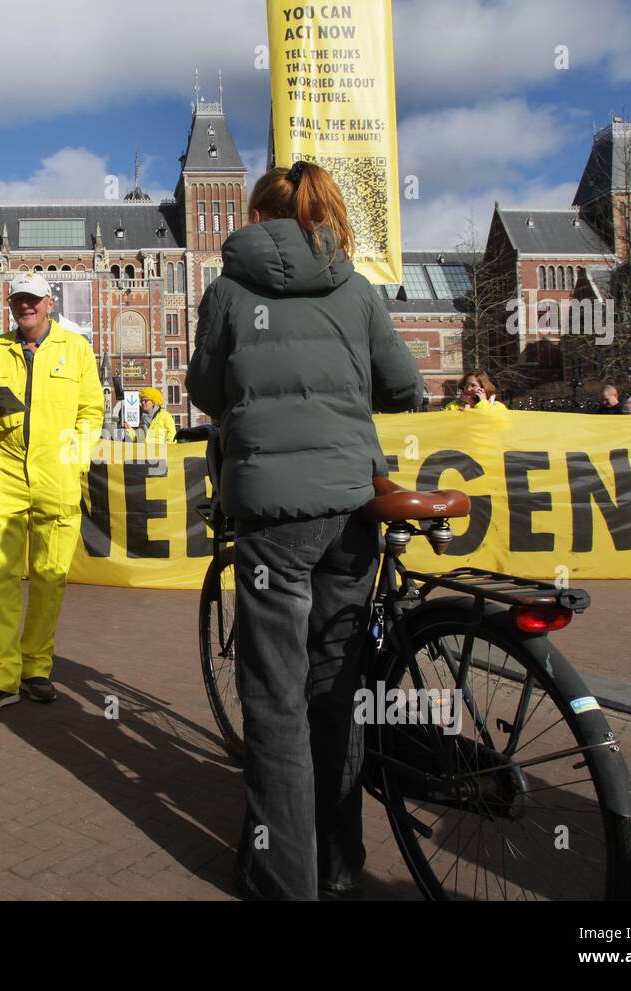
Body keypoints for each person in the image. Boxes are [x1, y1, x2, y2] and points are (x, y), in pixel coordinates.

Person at [186, 161, 425, 901]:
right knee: (338, 686)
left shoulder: (228, 290)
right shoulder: (355, 287)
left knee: (276, 702)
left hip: (271, 524)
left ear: (257, 213)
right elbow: (407, 385)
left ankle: (281, 880)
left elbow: (202, 389)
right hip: (350, 512)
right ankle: (339, 861)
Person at [0, 272, 103, 714]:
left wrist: (75, 460)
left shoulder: (77, 349)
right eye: (16, 301)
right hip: (4, 472)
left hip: (56, 474)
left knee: (50, 576)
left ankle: (37, 667)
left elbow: (91, 410)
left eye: (31, 300)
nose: (23, 307)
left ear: (49, 302)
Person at [442, 370, 507, 415]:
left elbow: (489, 421)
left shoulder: (498, 407)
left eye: (473, 385)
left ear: (483, 387)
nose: (468, 389)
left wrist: (482, 403)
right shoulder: (452, 406)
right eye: (466, 385)